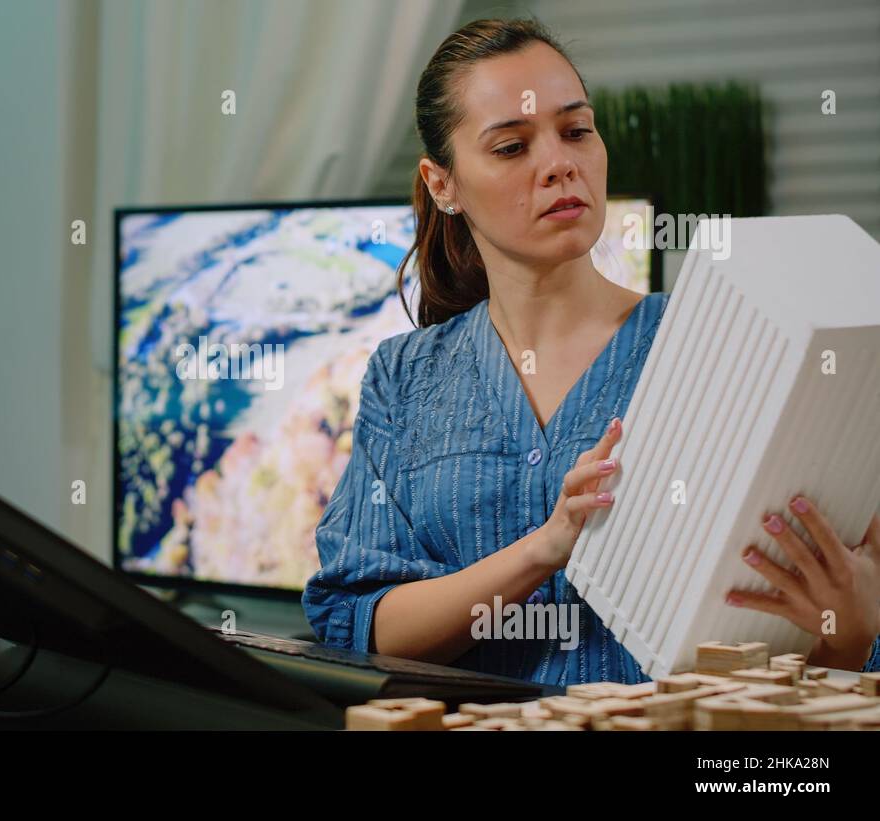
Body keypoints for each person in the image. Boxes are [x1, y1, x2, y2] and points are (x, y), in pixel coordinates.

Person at [301, 17, 880, 684]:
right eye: (513, 147)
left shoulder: (716, 346)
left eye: (576, 131)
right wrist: (543, 549)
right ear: (442, 184)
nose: (559, 163)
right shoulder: (403, 378)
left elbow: (812, 656)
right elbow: (362, 625)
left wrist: (852, 629)